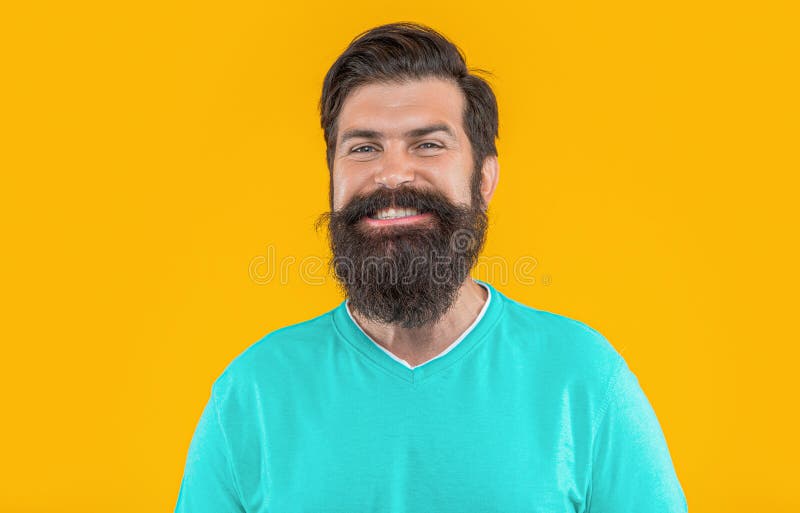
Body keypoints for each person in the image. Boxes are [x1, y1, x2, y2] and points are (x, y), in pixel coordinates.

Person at [174, 22, 687, 513]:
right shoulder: (253, 392)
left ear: (483, 179)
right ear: (333, 177)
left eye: (428, 144)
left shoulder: (585, 380)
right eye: (364, 148)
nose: (392, 172)